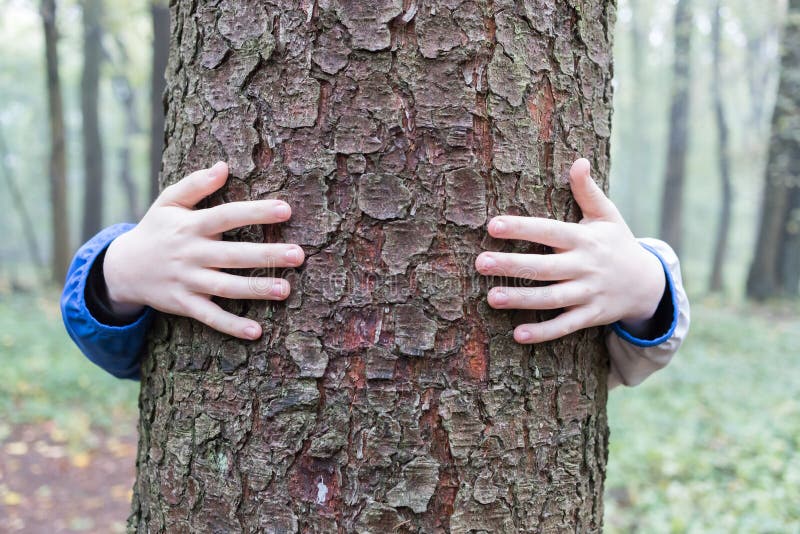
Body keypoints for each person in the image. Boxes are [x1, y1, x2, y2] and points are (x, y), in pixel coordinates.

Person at [61, 159, 689, 388]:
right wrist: (117, 272)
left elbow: (625, 361)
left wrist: (646, 286)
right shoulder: (173, 263)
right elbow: (128, 355)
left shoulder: (600, 268)